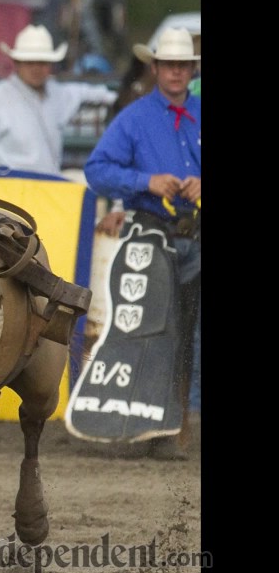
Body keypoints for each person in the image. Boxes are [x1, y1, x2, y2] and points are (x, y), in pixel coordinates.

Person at [84, 26, 200, 460]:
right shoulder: (133, 119)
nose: (175, 72)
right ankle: (155, 422)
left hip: (195, 234)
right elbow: (97, 170)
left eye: (182, 65)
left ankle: (176, 421)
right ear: (156, 68)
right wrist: (145, 180)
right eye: (168, 65)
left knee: (187, 331)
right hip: (152, 234)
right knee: (157, 328)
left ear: (191, 69)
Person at [0, 24, 118, 175]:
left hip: (46, 188)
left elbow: (86, 93)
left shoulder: (56, 93)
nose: (36, 68)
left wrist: (122, 100)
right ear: (17, 63)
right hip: (12, 189)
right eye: (29, 62)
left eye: (42, 62)